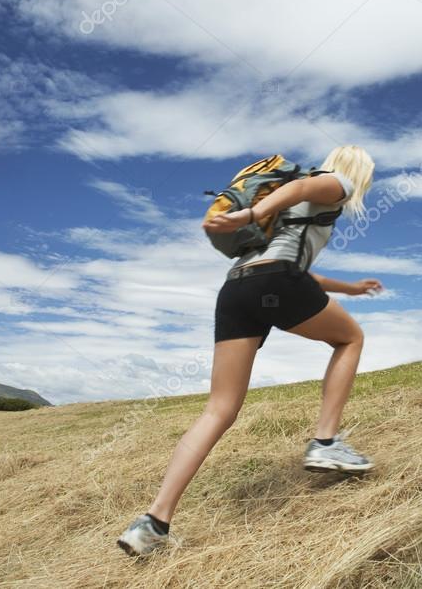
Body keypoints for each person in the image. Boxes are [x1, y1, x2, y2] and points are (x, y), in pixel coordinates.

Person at [117, 145, 383, 556]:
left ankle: (153, 522)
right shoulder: (335, 184)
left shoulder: (297, 214)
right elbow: (299, 194)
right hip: (276, 282)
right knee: (351, 339)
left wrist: (351, 288)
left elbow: (301, 266)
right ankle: (326, 442)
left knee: (218, 409)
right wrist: (250, 215)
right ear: (359, 172)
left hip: (238, 287)